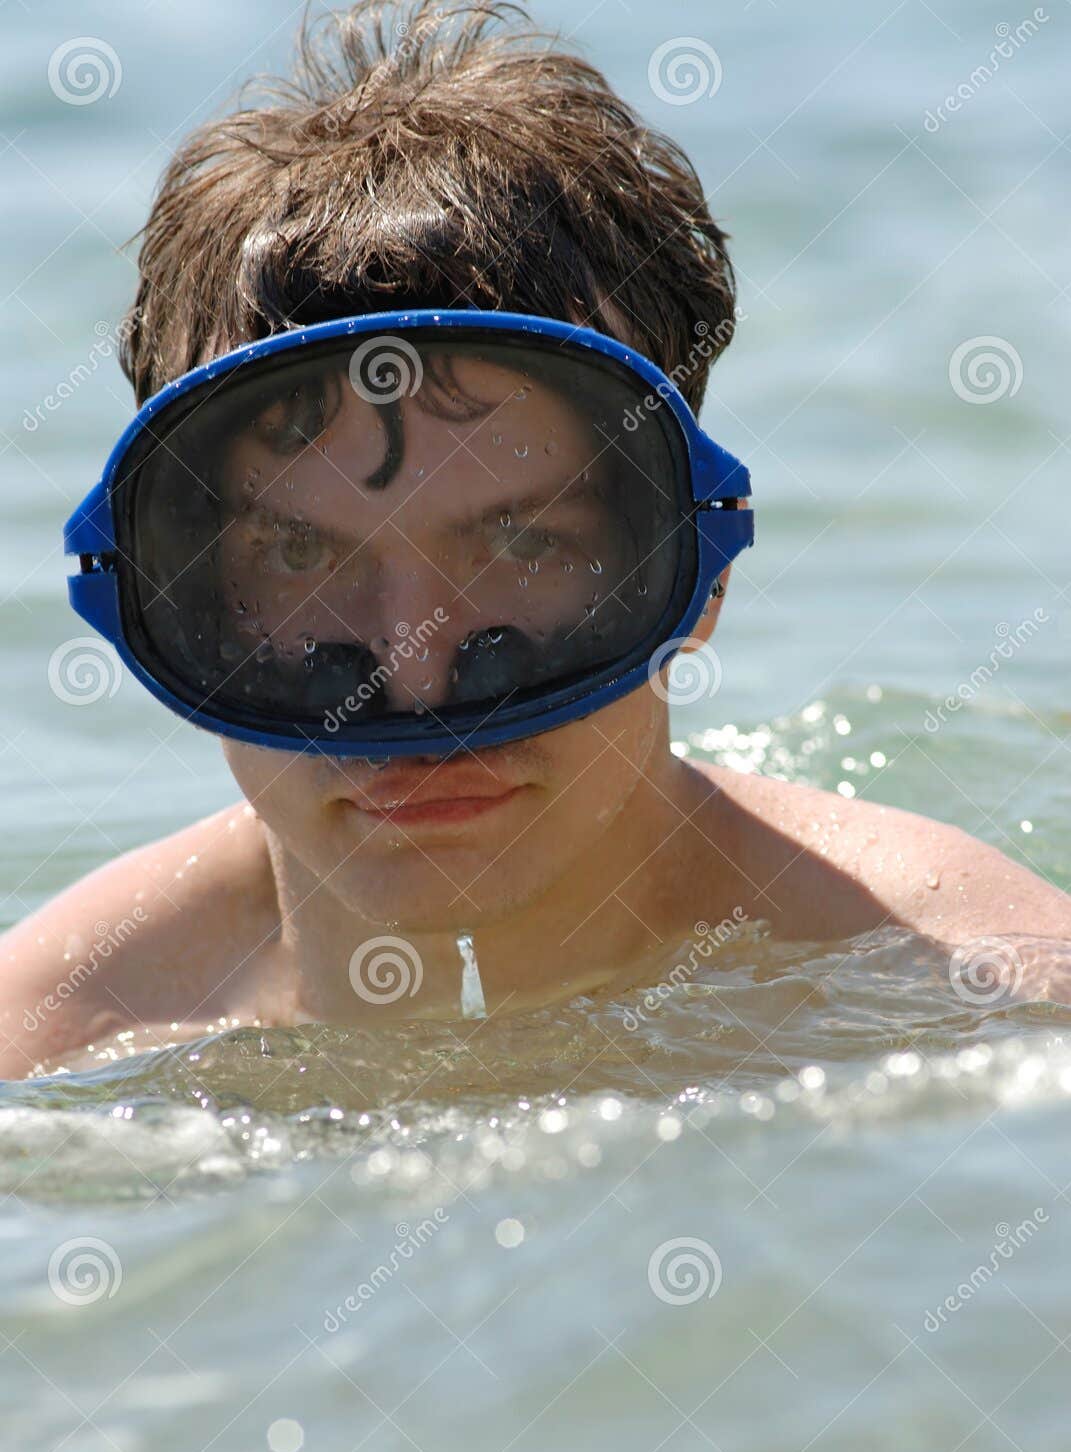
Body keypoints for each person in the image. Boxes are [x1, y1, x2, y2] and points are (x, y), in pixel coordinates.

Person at [3, 0, 1069, 1081]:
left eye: (522, 542)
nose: (414, 681)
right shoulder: (43, 1051)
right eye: (299, 557)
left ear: (698, 575)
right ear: (177, 600)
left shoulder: (977, 1000)